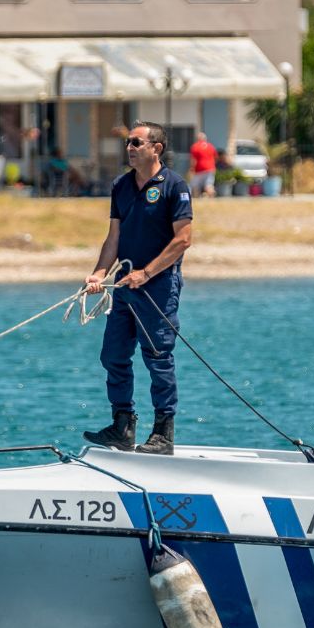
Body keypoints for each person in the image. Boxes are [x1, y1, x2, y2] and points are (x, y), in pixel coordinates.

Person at [82, 121, 194, 455]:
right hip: (123, 285)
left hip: (158, 286)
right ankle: (123, 426)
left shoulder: (175, 185)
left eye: (136, 142)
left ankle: (163, 433)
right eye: (127, 142)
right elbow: (114, 236)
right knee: (113, 354)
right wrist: (99, 273)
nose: (129, 147)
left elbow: (184, 239)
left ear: (156, 148)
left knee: (158, 356)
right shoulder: (121, 185)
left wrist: (146, 273)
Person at [188, 132, 218, 198]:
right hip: (210, 168)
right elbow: (215, 157)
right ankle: (212, 198)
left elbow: (193, 160)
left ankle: (196, 199)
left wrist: (192, 168)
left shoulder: (195, 146)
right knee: (209, 185)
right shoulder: (211, 146)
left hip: (199, 169)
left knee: (195, 185)